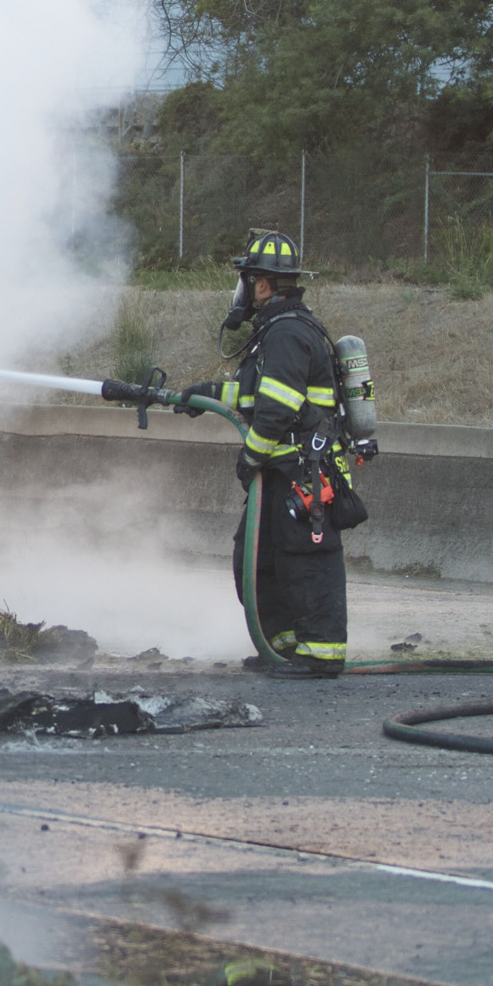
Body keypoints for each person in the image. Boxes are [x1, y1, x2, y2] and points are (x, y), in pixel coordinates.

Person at [177, 230, 359, 678]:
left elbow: (276, 410)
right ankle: (284, 647)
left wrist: (251, 457)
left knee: (305, 561)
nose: (241, 290)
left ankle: (321, 655)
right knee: (257, 559)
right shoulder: (277, 332)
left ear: (262, 285)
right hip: (283, 472)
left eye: (246, 279)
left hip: (302, 472)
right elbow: (259, 393)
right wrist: (207, 394)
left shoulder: (289, 333)